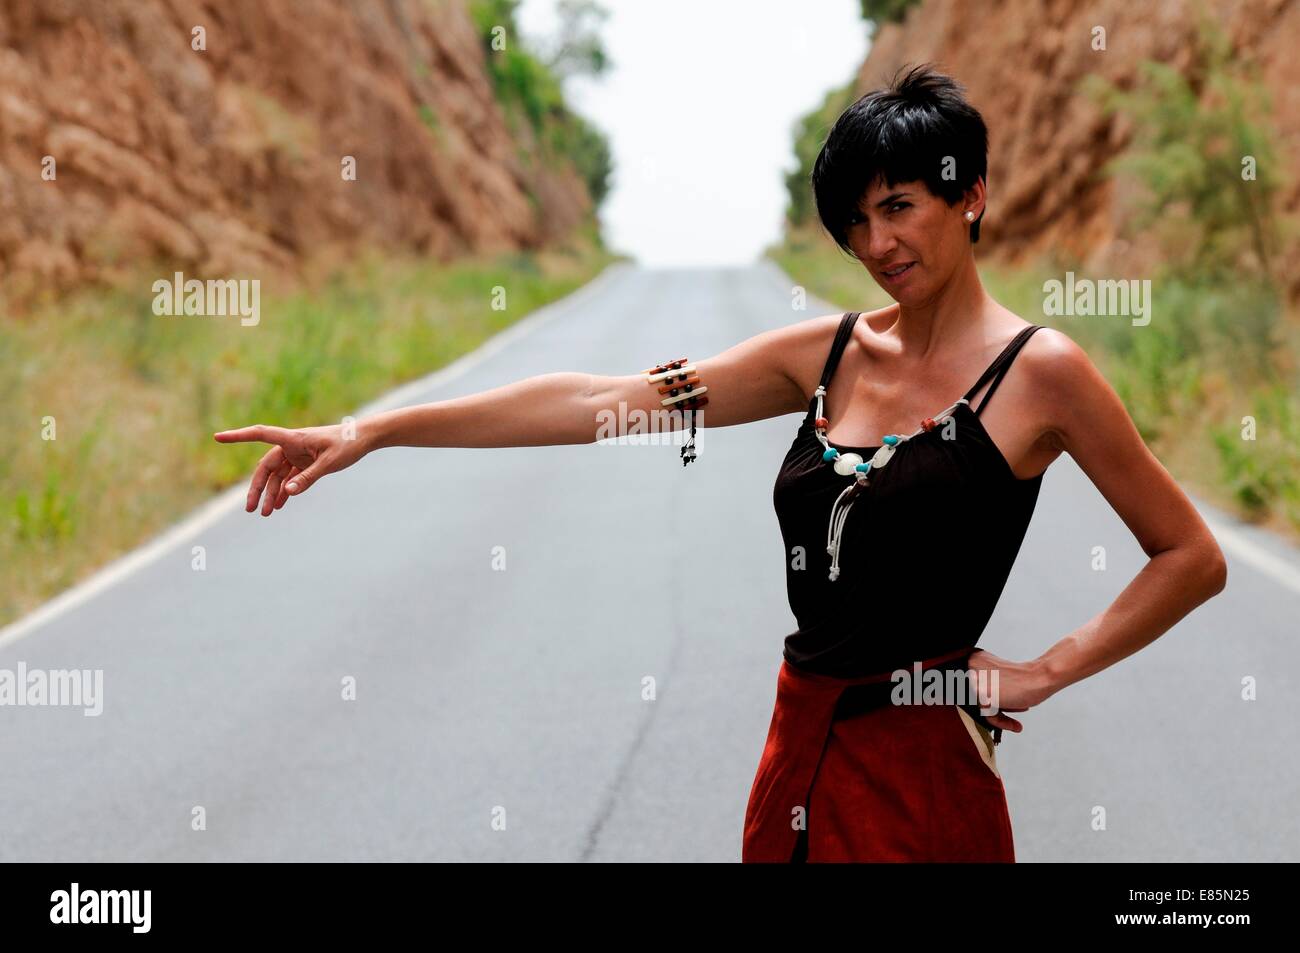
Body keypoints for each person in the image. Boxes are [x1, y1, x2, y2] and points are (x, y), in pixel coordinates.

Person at [213, 64, 1228, 862]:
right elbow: (598, 402)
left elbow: (1189, 554)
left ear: (971, 196)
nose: (878, 242)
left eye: (901, 206)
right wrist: (374, 430)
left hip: (924, 766)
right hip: (798, 744)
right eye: (856, 220)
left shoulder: (1041, 374)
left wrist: (1044, 671)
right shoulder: (826, 354)